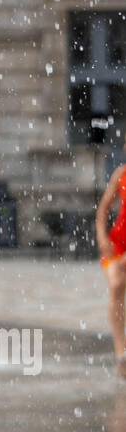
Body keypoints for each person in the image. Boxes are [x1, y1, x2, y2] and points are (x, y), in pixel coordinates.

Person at [95, 155, 126, 377]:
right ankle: (120, 348)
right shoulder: (121, 175)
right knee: (117, 287)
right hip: (118, 245)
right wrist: (102, 238)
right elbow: (103, 210)